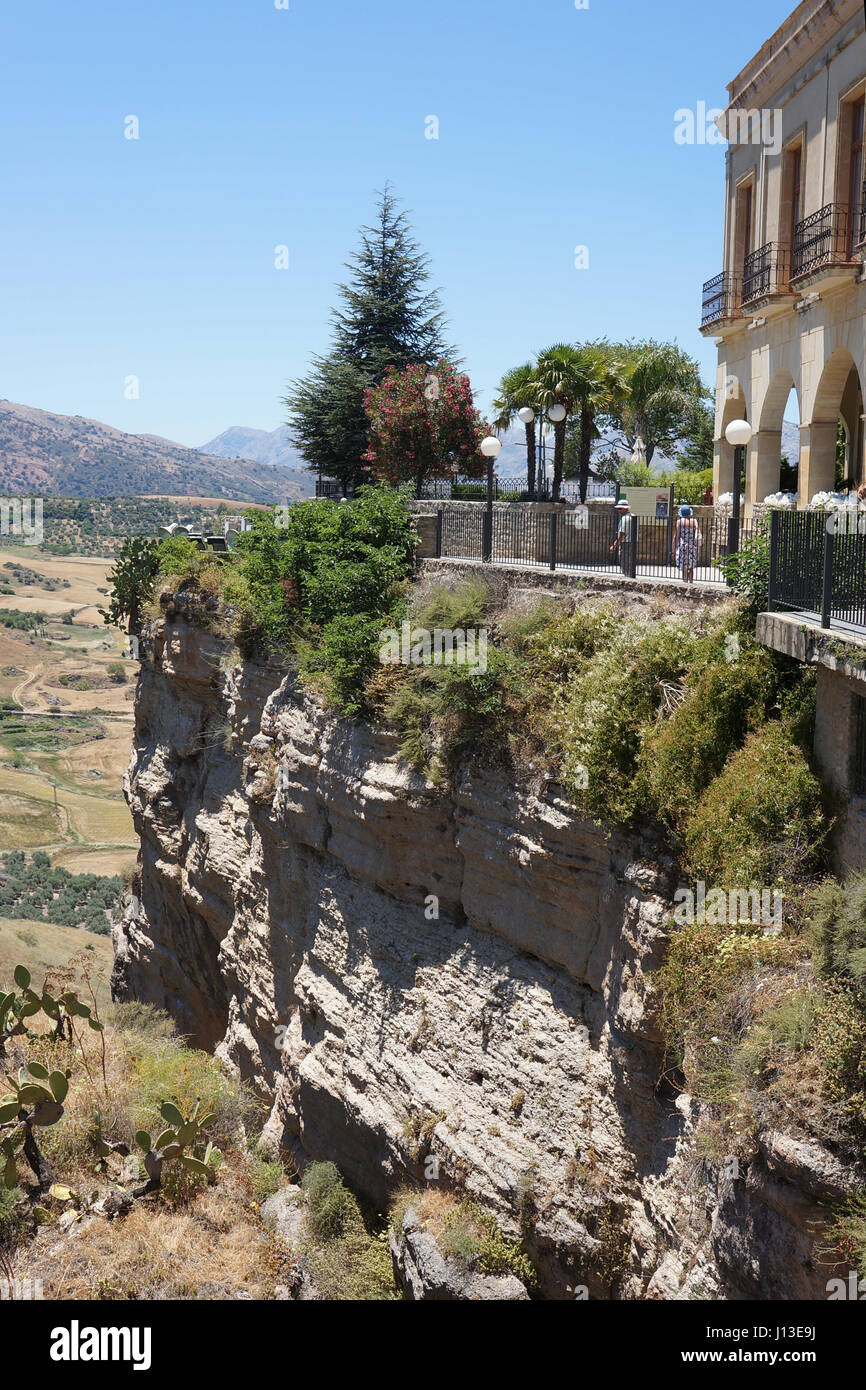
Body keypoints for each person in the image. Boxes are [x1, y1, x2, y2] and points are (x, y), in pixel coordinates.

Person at [672, 504, 701, 584]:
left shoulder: (679, 522)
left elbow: (677, 536)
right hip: (692, 545)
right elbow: (696, 534)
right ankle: (691, 582)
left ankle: (685, 582)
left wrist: (673, 549)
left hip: (683, 545)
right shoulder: (694, 521)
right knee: (691, 566)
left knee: (684, 566)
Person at [610, 499, 633, 574]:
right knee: (630, 563)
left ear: (626, 508)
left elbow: (622, 534)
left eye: (620, 508)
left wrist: (614, 545)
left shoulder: (625, 518)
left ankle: (627, 577)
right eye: (618, 509)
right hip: (632, 543)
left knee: (624, 563)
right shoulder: (632, 516)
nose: (619, 510)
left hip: (626, 543)